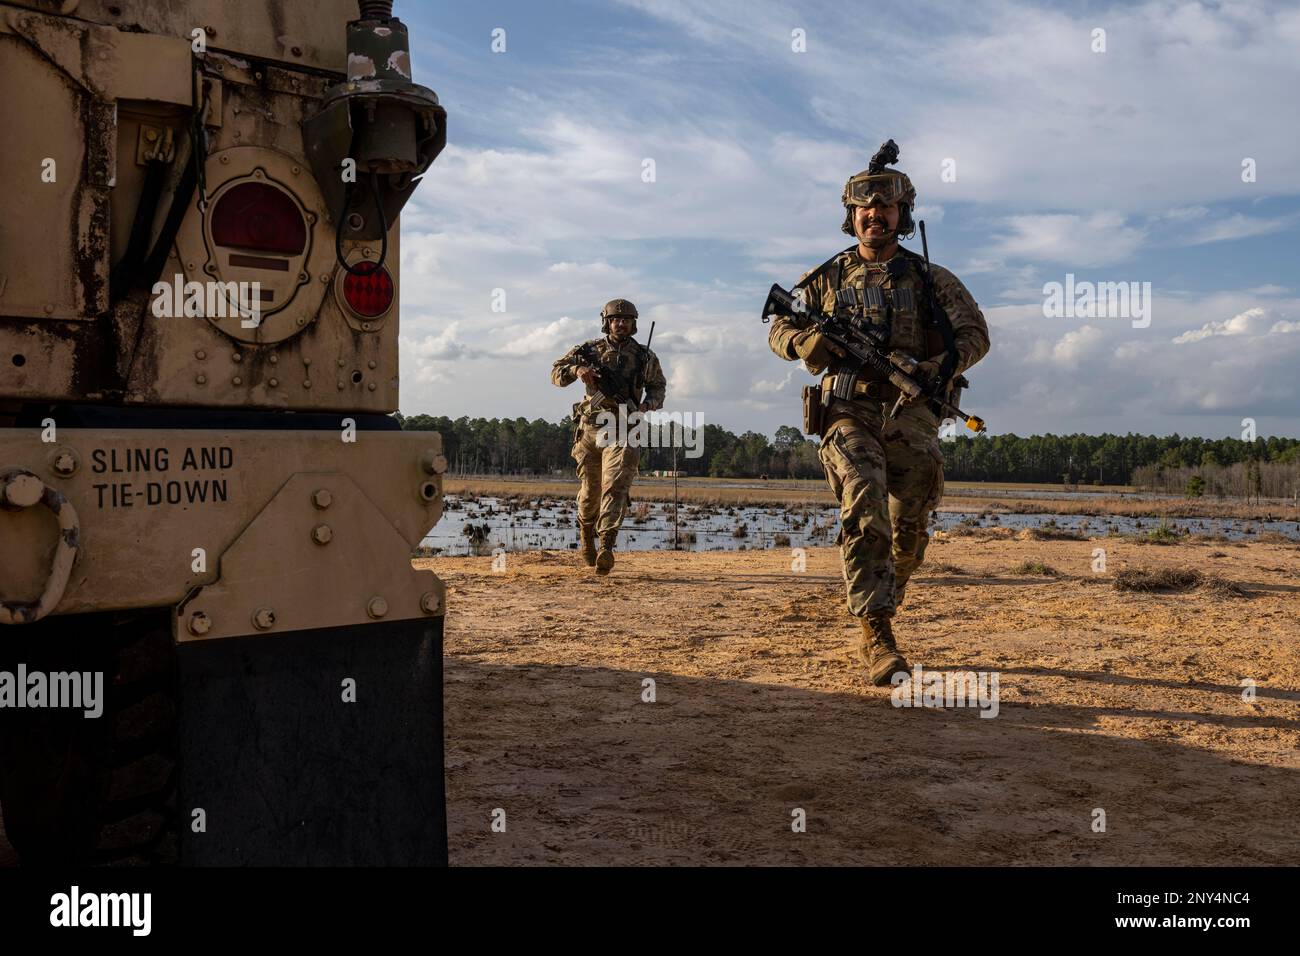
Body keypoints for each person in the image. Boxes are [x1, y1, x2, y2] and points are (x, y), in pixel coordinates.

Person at [767, 141, 990, 686]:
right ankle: (876, 629)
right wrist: (803, 346)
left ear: (901, 214)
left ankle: (885, 591)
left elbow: (976, 335)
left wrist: (937, 370)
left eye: (885, 208)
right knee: (864, 493)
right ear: (851, 216)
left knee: (909, 526)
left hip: (911, 409)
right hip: (846, 406)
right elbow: (777, 327)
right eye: (864, 208)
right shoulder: (827, 277)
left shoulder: (930, 278)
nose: (874, 215)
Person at [551, 299, 666, 575]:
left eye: (626, 319)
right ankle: (586, 534)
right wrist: (578, 371)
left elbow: (658, 387)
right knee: (590, 492)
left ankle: (607, 545)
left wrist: (646, 405)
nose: (621, 323)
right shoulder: (589, 350)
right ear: (607, 322)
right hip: (590, 427)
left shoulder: (644, 357)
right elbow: (556, 372)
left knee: (615, 485)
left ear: (634, 324)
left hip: (624, 426)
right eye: (616, 319)